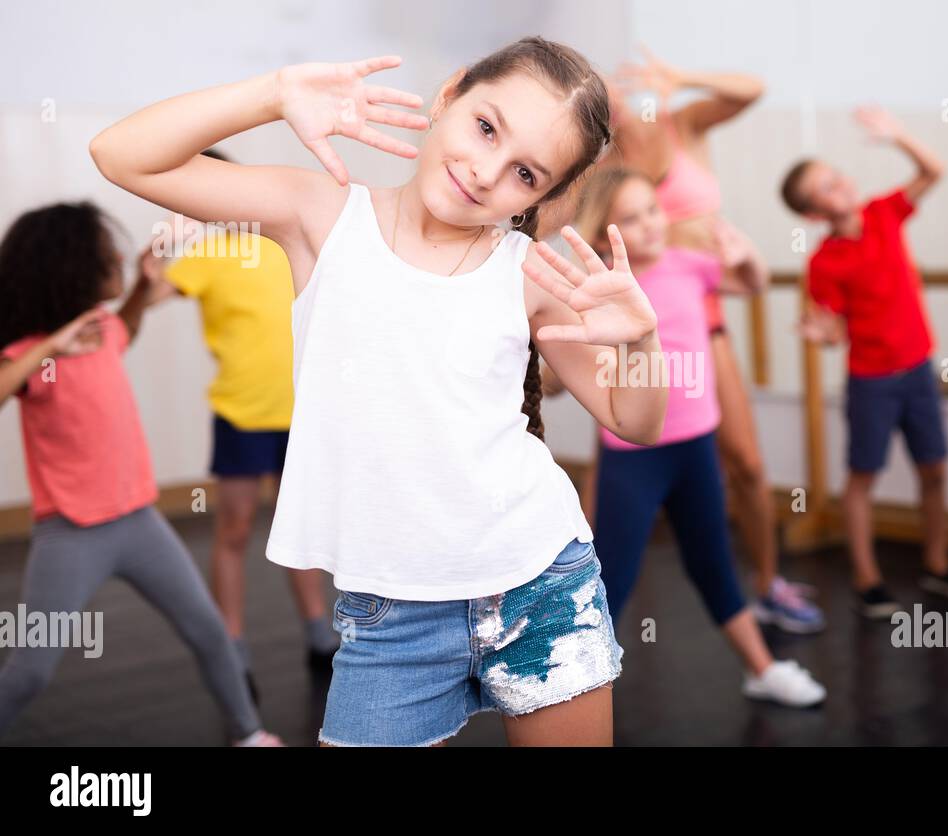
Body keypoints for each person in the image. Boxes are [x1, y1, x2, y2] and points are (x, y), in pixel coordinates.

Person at [90, 38, 670, 746]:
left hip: (541, 586)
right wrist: (273, 94)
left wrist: (642, 344)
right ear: (449, 94)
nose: (485, 172)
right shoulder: (320, 214)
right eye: (485, 126)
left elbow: (633, 421)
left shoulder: (531, 275)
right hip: (393, 617)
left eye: (525, 172)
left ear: (543, 196)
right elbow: (122, 155)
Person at [0, 202, 282, 746]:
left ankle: (248, 733)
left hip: (140, 523)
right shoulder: (30, 353)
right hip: (70, 534)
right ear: (70, 265)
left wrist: (141, 282)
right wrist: (48, 349)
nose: (117, 257)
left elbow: (126, 325)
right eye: (107, 254)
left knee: (209, 631)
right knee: (32, 670)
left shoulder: (103, 328)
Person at [572, 168, 826, 706]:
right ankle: (575, 696)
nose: (648, 226)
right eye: (631, 219)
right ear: (603, 236)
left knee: (713, 564)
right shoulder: (603, 290)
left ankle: (762, 668)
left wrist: (746, 253)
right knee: (611, 578)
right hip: (634, 456)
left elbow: (753, 284)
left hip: (695, 446)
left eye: (651, 211)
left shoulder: (687, 265)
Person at [783, 106, 948, 620]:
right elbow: (832, 332)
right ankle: (868, 579)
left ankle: (938, 565)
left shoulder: (884, 212)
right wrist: (819, 333)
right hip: (871, 381)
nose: (840, 185)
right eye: (825, 188)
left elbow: (934, 170)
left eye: (835, 176)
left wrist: (898, 135)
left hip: (918, 369)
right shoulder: (824, 262)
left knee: (934, 468)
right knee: (862, 479)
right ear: (814, 214)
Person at [151, 149, 336, 699]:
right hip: (240, 415)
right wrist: (165, 244)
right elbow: (141, 299)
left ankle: (317, 632)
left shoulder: (281, 245)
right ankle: (231, 642)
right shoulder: (203, 257)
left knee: (299, 532)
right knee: (232, 531)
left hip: (301, 414)